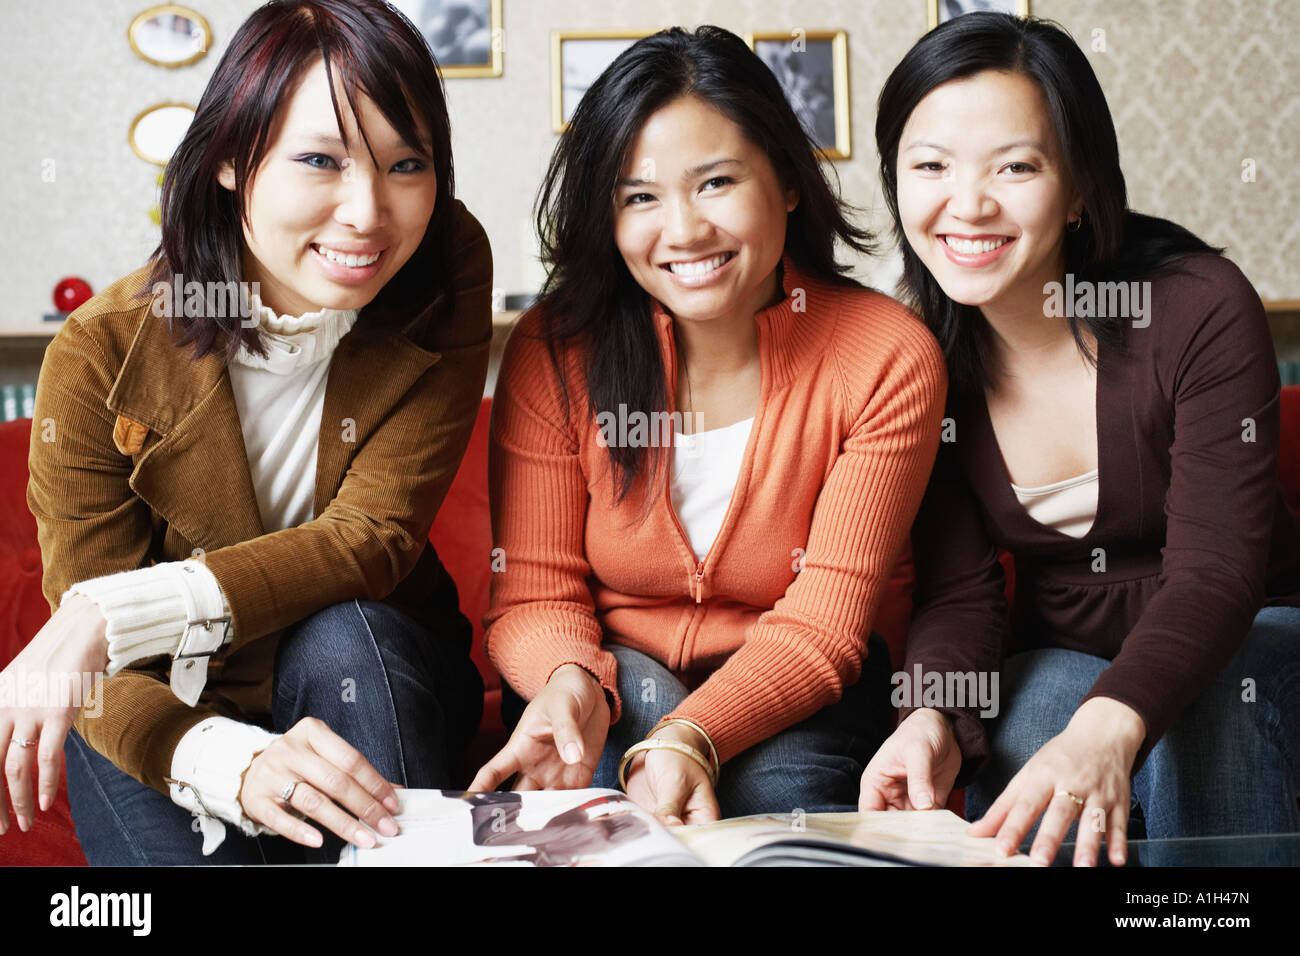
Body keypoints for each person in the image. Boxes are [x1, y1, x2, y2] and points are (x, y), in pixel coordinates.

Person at [3, 0, 492, 864]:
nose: (368, 212)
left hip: (373, 669)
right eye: (320, 160)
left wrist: (110, 612)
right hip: (168, 708)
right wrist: (226, 759)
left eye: (406, 164)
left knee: (348, 632)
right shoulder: (99, 353)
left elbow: (373, 536)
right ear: (230, 158)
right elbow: (99, 675)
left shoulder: (444, 267)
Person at [470, 26, 946, 825]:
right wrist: (567, 680)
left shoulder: (885, 354)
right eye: (639, 197)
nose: (684, 230)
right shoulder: (556, 349)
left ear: (787, 182)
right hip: (611, 672)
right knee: (619, 772)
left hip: (802, 685)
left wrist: (694, 735)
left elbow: (825, 623)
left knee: (772, 807)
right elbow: (533, 592)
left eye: (716, 182)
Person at [859, 12, 1300, 866]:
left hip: (1257, 630)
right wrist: (930, 714)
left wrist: (1110, 722)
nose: (968, 203)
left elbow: (1215, 575)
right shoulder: (918, 356)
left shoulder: (1196, 308)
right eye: (931, 166)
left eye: (1016, 166)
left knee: (1207, 706)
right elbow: (959, 593)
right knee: (1033, 715)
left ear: (1079, 188)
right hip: (1064, 649)